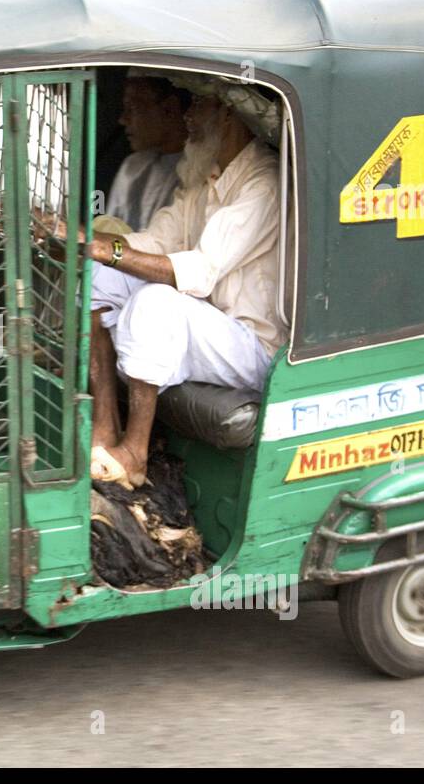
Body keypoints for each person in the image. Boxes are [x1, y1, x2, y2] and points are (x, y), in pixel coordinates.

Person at [38, 79, 285, 489]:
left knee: (156, 300)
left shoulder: (262, 183)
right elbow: (151, 243)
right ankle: (103, 428)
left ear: (230, 117)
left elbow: (200, 270)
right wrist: (82, 241)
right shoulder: (205, 180)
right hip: (208, 323)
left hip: (252, 347)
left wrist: (104, 249)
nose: (187, 115)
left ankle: (134, 454)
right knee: (101, 274)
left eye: (199, 104)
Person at [103, 72, 191, 232]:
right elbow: (109, 234)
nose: (123, 119)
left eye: (132, 108)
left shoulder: (201, 173)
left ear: (169, 109)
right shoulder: (132, 167)